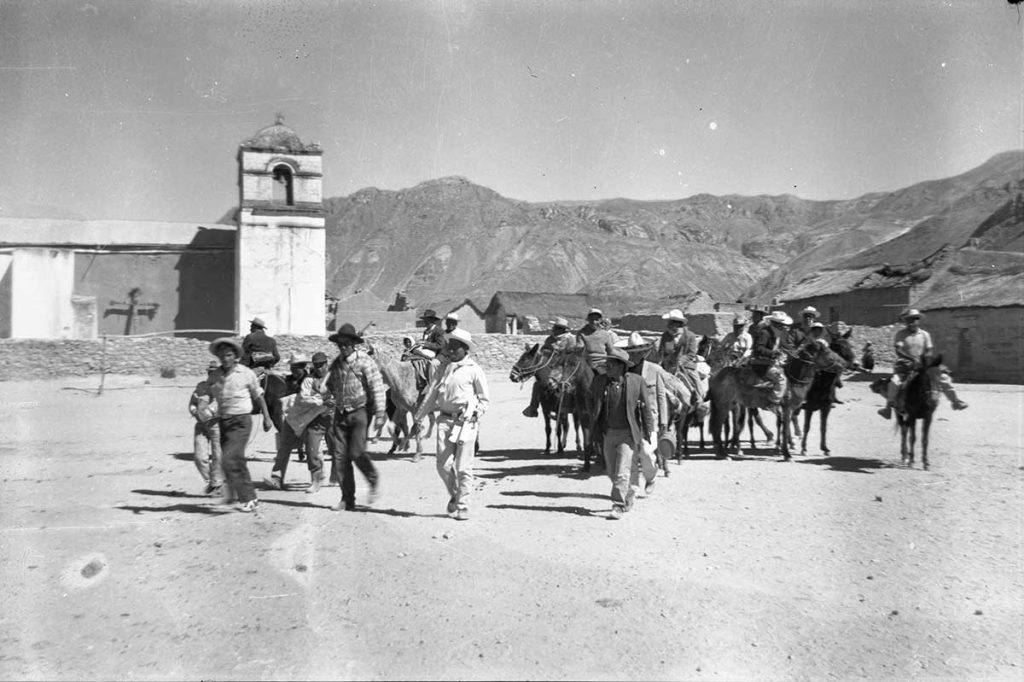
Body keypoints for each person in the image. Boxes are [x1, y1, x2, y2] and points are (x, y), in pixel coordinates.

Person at [414, 328, 490, 520]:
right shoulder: (443, 369)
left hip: (466, 422)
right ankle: (455, 494)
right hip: (445, 421)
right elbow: (432, 394)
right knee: (443, 465)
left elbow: (484, 400)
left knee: (464, 466)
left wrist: (475, 413)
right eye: (451, 346)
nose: (451, 350)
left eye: (456, 347)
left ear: (465, 349)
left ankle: (463, 505)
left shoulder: (474, 370)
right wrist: (419, 417)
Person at [325, 323, 388, 511]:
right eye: (340, 344)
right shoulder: (336, 363)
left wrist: (379, 414)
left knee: (356, 452)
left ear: (353, 343)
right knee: (340, 457)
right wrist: (328, 395)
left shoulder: (365, 361)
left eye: (346, 343)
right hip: (340, 413)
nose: (343, 347)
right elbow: (331, 386)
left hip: (360, 412)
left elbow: (377, 386)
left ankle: (372, 478)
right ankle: (347, 499)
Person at [207, 337, 273, 512]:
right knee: (235, 460)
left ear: (235, 356)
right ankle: (233, 496)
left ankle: (249, 498)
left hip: (242, 421)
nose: (225, 358)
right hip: (224, 422)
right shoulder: (215, 376)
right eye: (222, 355)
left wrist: (267, 417)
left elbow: (259, 395)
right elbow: (210, 397)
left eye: (229, 355)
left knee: (230, 458)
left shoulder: (246, 373)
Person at [590, 347, 653, 519]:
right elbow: (592, 404)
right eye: (607, 364)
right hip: (608, 434)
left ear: (621, 366)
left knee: (621, 470)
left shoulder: (636, 381)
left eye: (611, 364)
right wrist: (593, 430)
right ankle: (629, 495)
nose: (607, 367)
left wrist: (649, 430)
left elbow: (646, 408)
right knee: (612, 471)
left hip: (627, 434)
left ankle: (618, 505)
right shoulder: (599, 382)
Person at [617, 332, 688, 481]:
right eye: (631, 353)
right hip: (629, 419)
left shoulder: (654, 369)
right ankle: (630, 492)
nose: (634, 356)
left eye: (638, 353)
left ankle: (650, 477)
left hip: (650, 419)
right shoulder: (623, 371)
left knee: (647, 453)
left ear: (644, 353)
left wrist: (663, 420)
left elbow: (661, 395)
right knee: (629, 456)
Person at [878, 309, 968, 419]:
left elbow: (929, 349)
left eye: (915, 319)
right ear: (905, 321)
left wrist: (925, 359)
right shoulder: (901, 334)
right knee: (895, 382)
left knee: (943, 377)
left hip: (923, 364)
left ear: (918, 320)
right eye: (909, 319)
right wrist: (912, 359)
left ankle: (955, 401)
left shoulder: (925, 335)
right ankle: (888, 408)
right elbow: (898, 350)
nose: (912, 321)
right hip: (905, 365)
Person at [264, 352, 333, 494]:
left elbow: (311, 398)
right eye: (292, 367)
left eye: (297, 367)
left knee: (313, 449)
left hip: (311, 419)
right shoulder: (289, 382)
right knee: (284, 447)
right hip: (293, 418)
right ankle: (277, 477)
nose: (294, 370)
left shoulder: (313, 380)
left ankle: (317, 477)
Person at [522, 316, 578, 418]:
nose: (553, 329)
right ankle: (533, 407)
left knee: (561, 384)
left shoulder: (571, 340)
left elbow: (572, 355)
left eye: (556, 328)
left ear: (563, 329)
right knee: (539, 383)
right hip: (550, 366)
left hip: (564, 366)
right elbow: (543, 352)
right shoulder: (550, 339)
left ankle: (562, 409)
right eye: (554, 327)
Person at [189, 360, 223, 496]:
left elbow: (223, 404)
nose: (211, 374)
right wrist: (194, 410)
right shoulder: (201, 386)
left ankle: (217, 484)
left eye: (214, 372)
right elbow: (192, 402)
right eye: (210, 372)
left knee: (217, 456)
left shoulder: (223, 388)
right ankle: (212, 481)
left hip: (216, 424)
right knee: (199, 456)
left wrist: (210, 411)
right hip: (201, 424)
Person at [749, 310, 795, 404]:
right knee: (781, 379)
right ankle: (772, 401)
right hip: (761, 363)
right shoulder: (765, 333)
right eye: (781, 324)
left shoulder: (776, 334)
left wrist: (793, 351)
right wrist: (772, 353)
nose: (783, 326)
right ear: (775, 323)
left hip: (771, 362)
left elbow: (783, 344)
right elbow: (758, 348)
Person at [577, 309, 618, 375]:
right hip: (587, 363)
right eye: (591, 319)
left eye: (596, 319)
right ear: (588, 320)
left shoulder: (605, 334)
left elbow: (610, 350)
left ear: (600, 320)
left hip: (603, 363)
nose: (594, 322)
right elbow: (579, 349)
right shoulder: (582, 333)